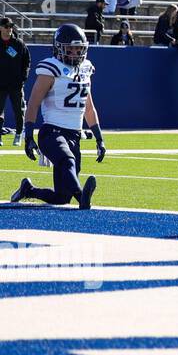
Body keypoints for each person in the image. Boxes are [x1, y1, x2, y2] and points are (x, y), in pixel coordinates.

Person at [10, 25, 106, 211]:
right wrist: (29, 136)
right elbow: (33, 104)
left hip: (74, 135)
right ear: (59, 47)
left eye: (79, 48)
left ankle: (28, 190)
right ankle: (82, 198)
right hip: (52, 132)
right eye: (71, 48)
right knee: (67, 161)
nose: (76, 53)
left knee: (62, 197)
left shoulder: (85, 69)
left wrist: (99, 138)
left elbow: (89, 108)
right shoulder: (51, 68)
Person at [0, 17, 30, 146]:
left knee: (19, 110)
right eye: (6, 26)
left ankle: (18, 134)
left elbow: (27, 62)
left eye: (11, 26)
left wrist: (23, 77)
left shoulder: (19, 44)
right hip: (0, 84)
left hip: (15, 84)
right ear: (0, 28)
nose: (9, 29)